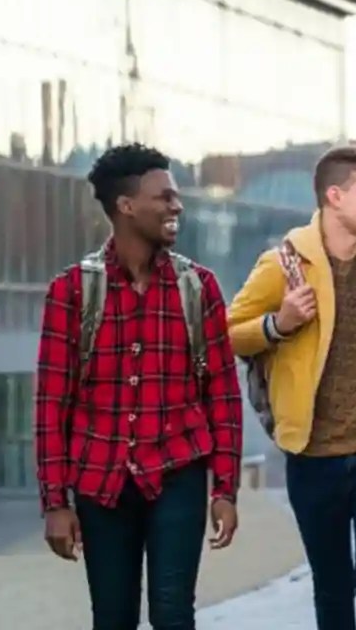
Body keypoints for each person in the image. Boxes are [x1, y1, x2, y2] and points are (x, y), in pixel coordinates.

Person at [34, 143, 242, 630]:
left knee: (173, 613)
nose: (177, 206)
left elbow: (223, 398)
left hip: (178, 473)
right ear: (126, 207)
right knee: (112, 617)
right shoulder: (72, 292)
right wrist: (55, 504)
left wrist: (225, 490)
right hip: (99, 480)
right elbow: (50, 406)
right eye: (164, 197)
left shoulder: (199, 288)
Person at [228, 144, 356, 630]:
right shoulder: (282, 264)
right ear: (335, 196)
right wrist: (279, 322)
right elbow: (229, 332)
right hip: (313, 458)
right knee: (332, 588)